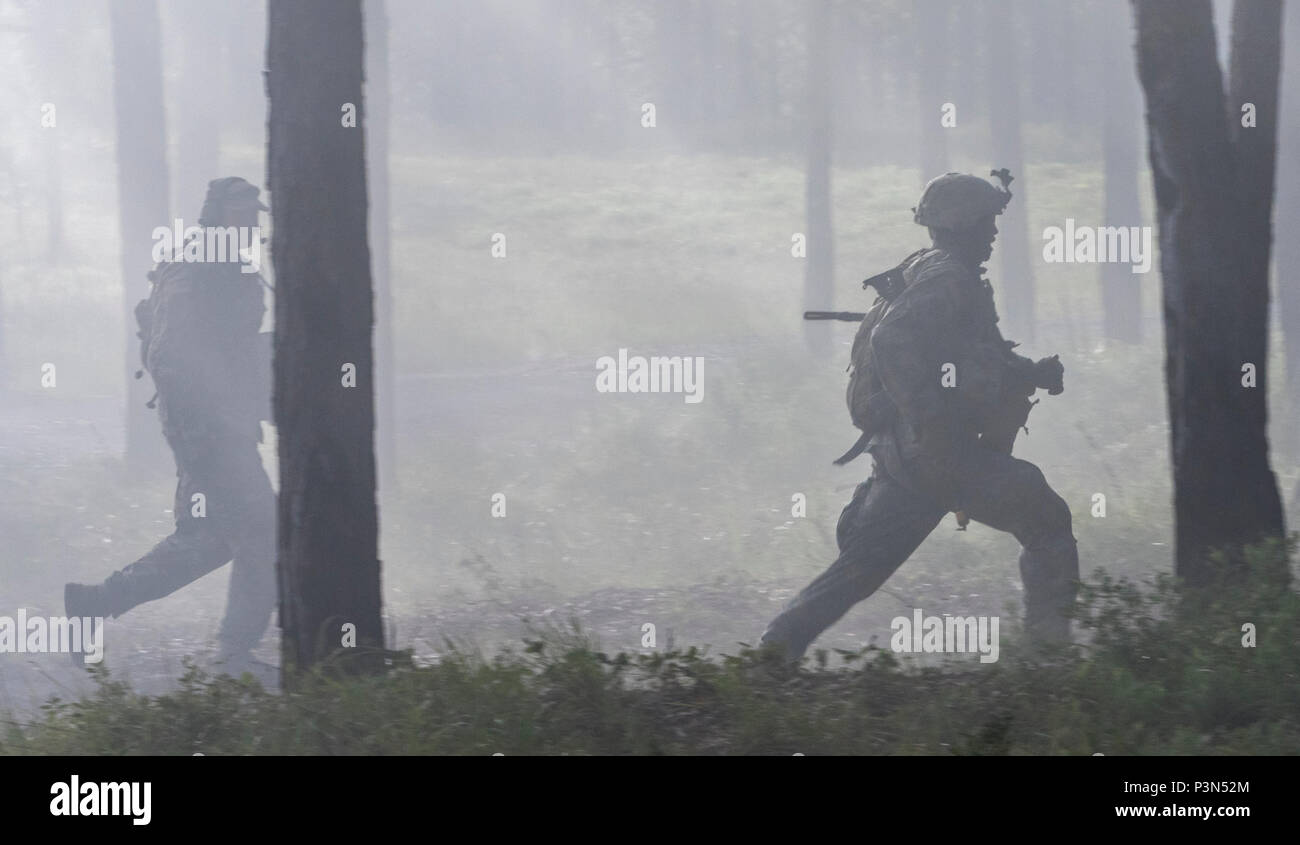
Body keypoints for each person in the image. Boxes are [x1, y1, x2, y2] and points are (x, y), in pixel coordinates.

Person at [760, 172, 1078, 661]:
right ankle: (1047, 656)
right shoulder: (949, 277)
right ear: (961, 224)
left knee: (863, 566)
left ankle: (775, 648)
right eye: (986, 222)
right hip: (938, 453)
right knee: (1047, 519)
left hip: (906, 454)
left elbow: (971, 353)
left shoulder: (934, 269)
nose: (993, 233)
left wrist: (1029, 372)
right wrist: (935, 427)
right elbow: (893, 340)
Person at [65, 177, 275, 673]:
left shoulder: (228, 263)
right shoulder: (200, 264)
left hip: (219, 423)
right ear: (217, 215)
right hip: (208, 427)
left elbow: (228, 344)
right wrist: (209, 417)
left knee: (211, 538)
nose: (250, 220)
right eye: (240, 211)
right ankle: (234, 652)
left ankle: (94, 604)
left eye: (254, 212)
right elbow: (172, 351)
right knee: (263, 529)